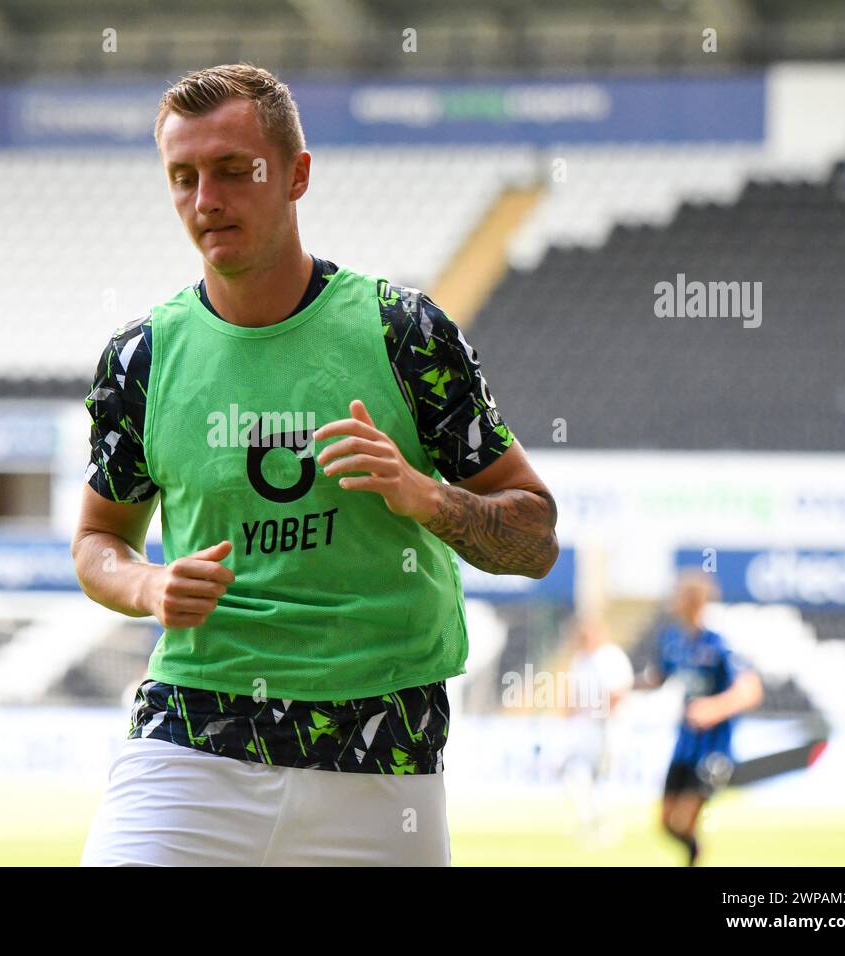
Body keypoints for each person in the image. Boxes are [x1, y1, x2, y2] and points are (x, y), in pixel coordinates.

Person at [71, 63, 559, 866]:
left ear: (296, 174)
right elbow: (97, 541)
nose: (206, 200)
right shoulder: (143, 358)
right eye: (183, 177)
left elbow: (535, 540)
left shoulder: (404, 333)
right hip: (192, 740)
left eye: (233, 171)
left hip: (382, 759)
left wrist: (424, 498)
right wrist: (148, 584)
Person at [635, 570, 763, 865]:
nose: (674, 600)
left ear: (695, 600)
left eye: (680, 594)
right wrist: (625, 688)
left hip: (714, 750)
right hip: (685, 745)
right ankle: (695, 853)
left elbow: (750, 690)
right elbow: (658, 677)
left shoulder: (718, 644)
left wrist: (713, 708)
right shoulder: (672, 640)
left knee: (685, 820)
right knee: (666, 824)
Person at [558, 615, 633, 844]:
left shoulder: (611, 656)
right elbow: (573, 695)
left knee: (604, 777)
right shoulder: (580, 660)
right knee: (574, 774)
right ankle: (590, 820)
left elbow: (619, 690)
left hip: (608, 726)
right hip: (585, 728)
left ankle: (606, 826)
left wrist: (603, 713)